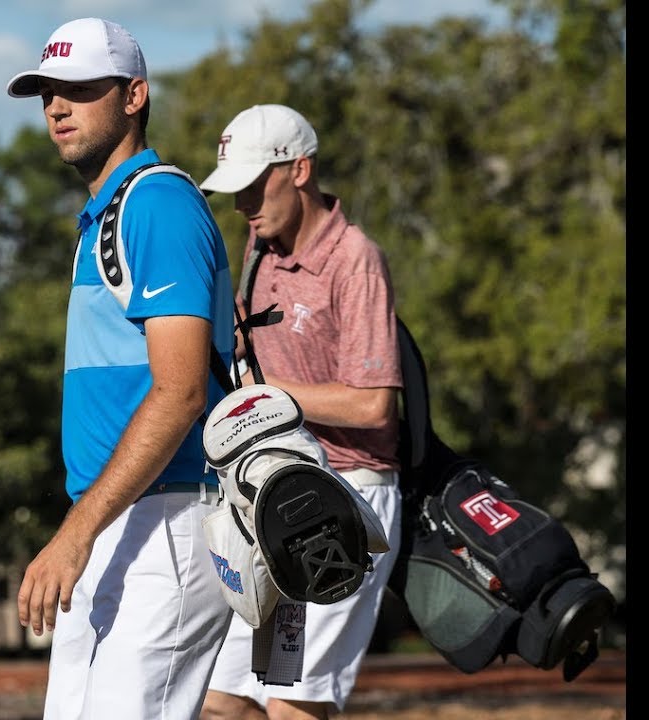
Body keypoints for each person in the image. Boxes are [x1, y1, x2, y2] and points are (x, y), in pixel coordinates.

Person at [5, 17, 237, 720]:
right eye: (48, 92)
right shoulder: (107, 214)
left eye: (79, 88)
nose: (57, 107)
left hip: (166, 521)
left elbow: (181, 390)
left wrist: (76, 532)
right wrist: (84, 527)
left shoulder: (158, 203)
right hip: (117, 520)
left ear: (134, 95)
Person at [197, 105, 404, 720]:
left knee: (295, 707)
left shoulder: (354, 259)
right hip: (267, 491)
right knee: (220, 700)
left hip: (344, 493)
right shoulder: (259, 247)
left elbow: (373, 405)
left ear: (301, 170)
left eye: (255, 188)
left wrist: (267, 402)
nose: (243, 207)